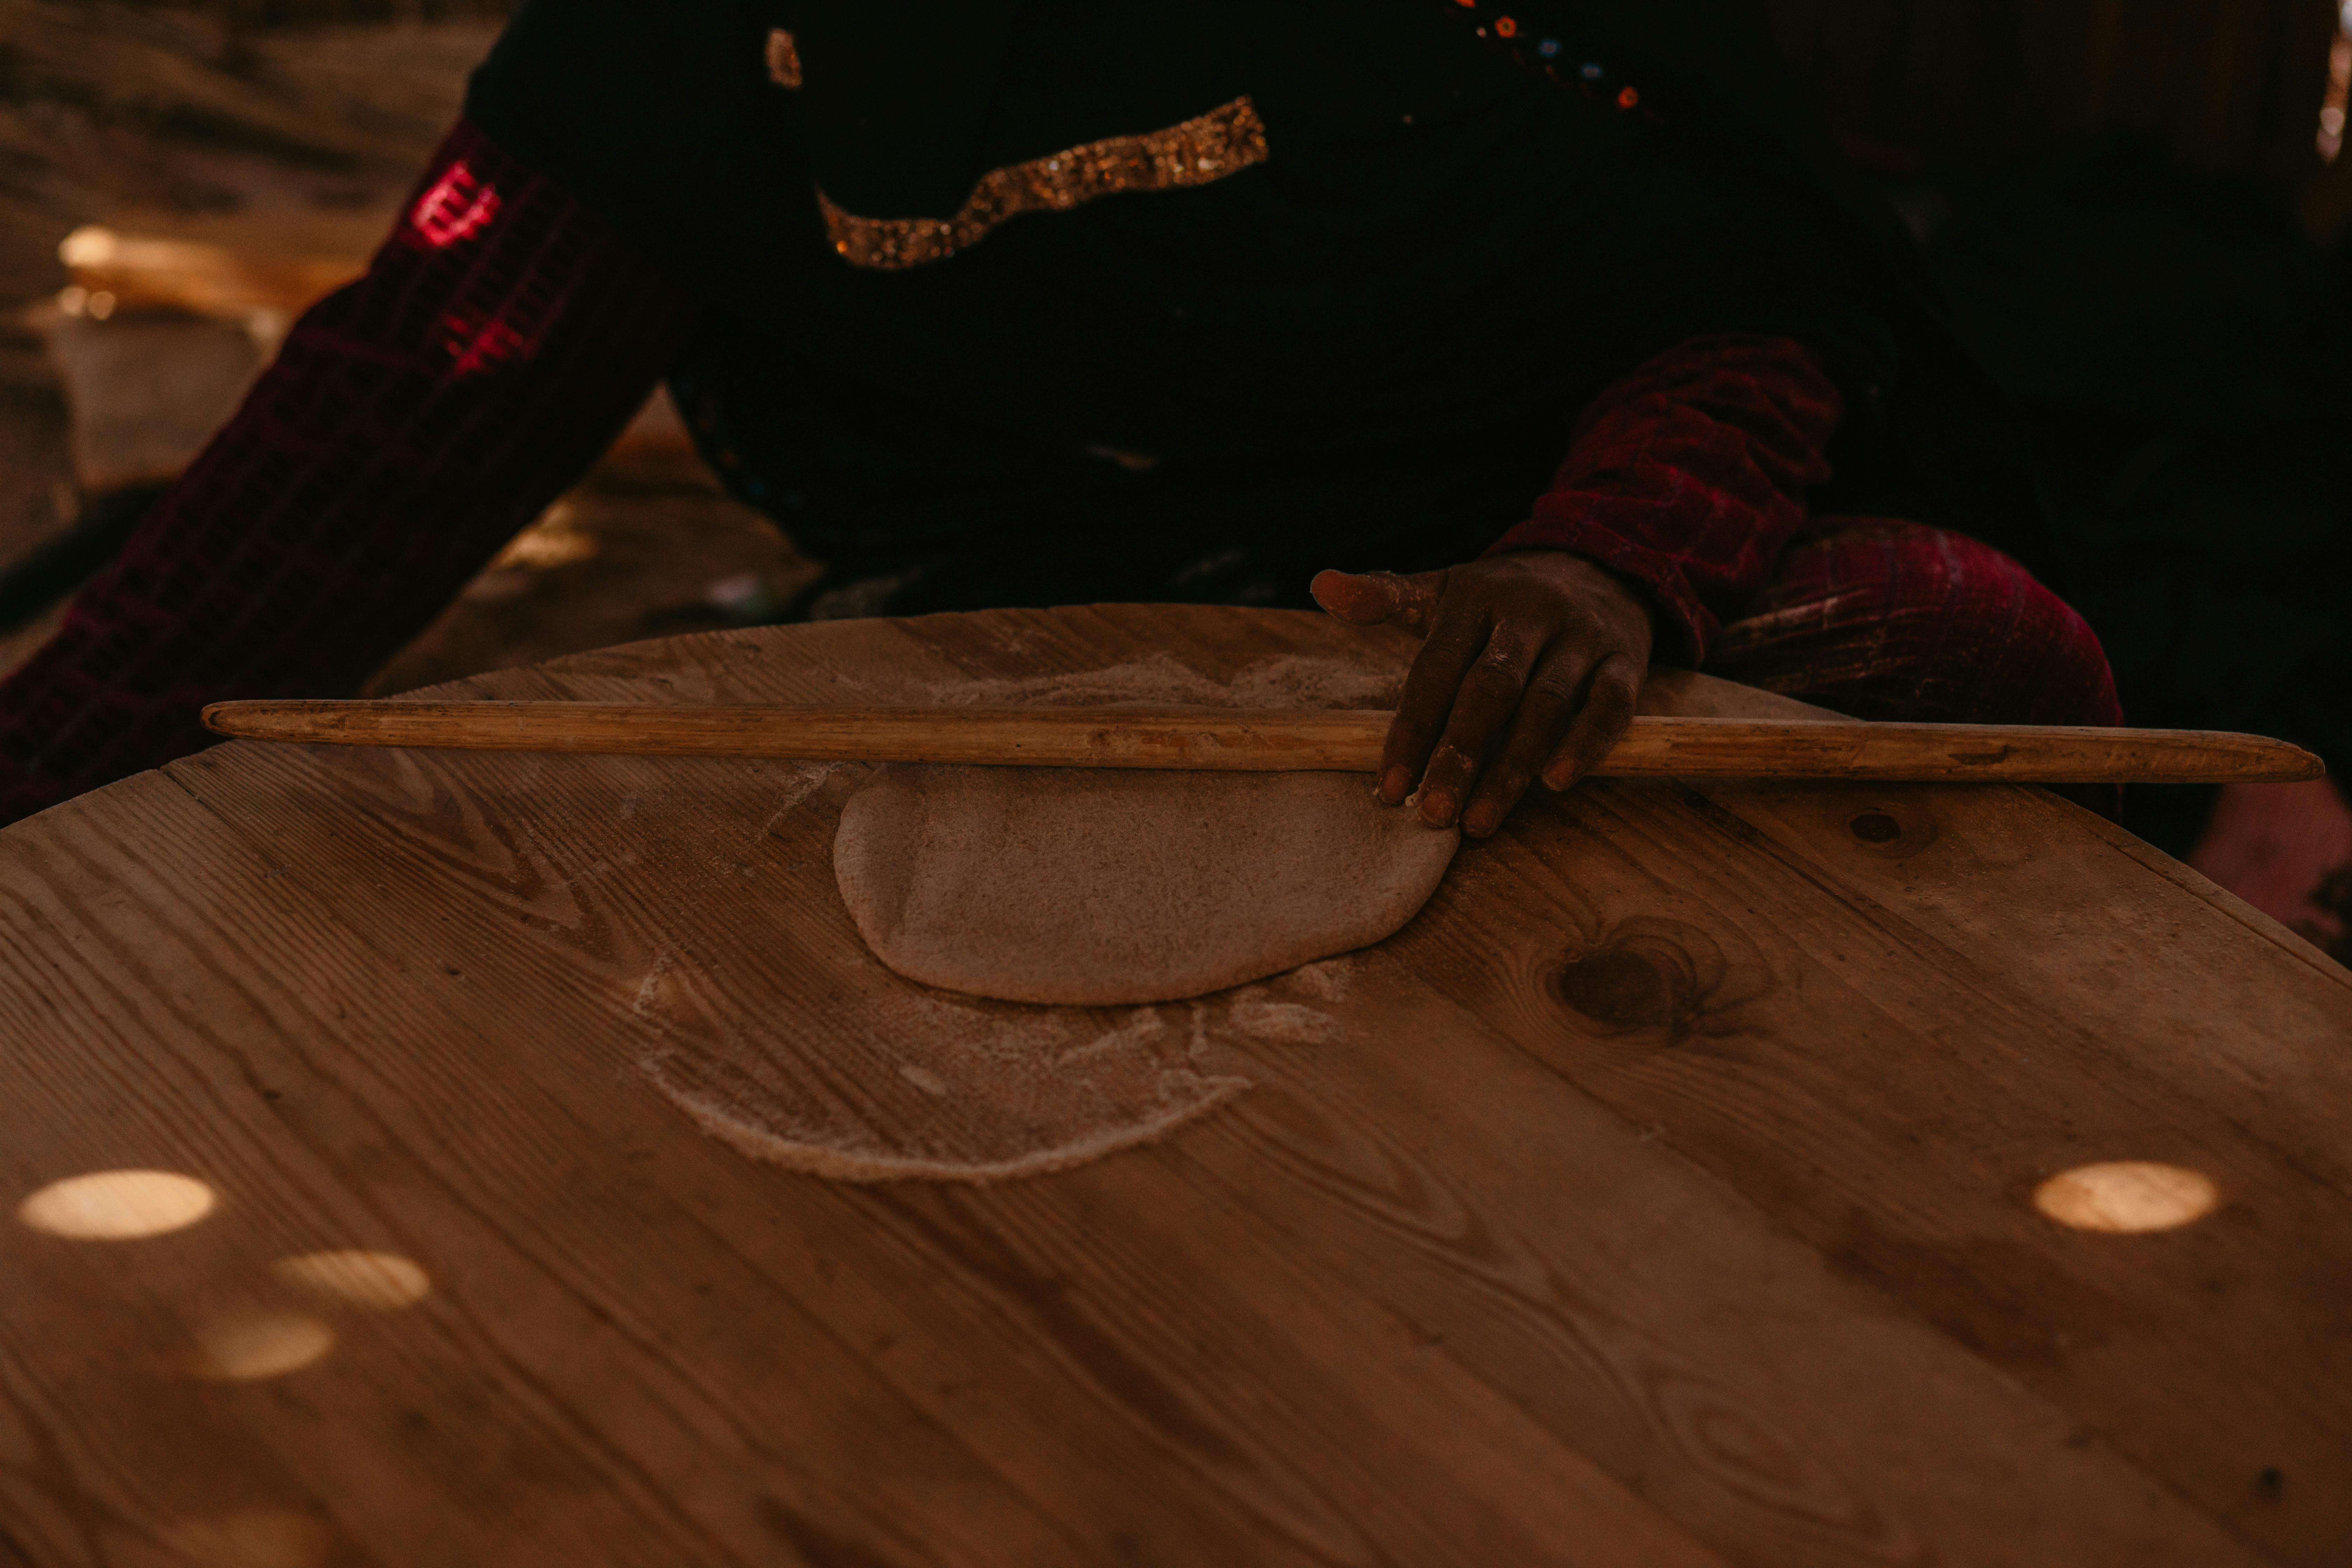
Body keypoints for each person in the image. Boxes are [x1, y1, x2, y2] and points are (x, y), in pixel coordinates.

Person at [0, 0, 2121, 835]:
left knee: (1976, 652)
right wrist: (39, 792)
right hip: (1045, 594)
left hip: (1485, 567)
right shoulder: (674, 58)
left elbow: (1739, 289)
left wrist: (1601, 561)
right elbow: (379, 444)